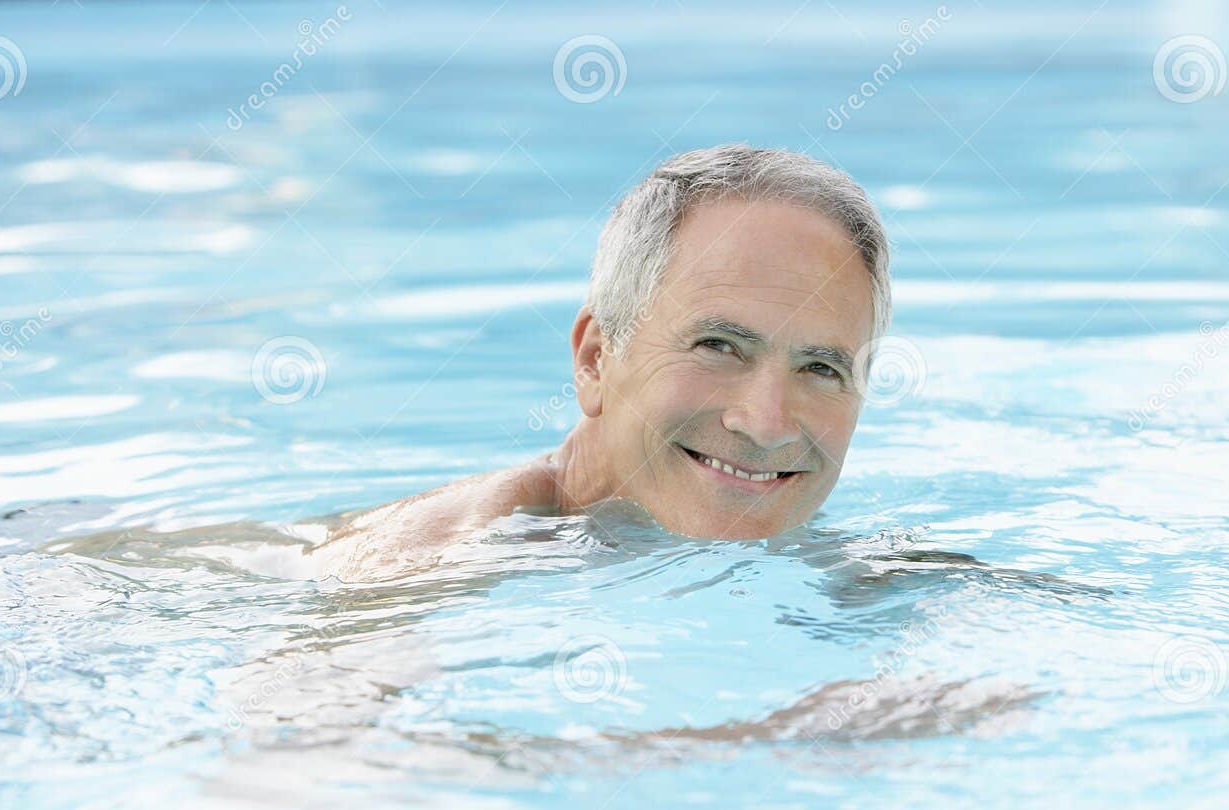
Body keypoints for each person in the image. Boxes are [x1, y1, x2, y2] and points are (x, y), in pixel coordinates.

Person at [314, 144, 891, 582]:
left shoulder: (853, 572)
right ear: (595, 359)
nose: (767, 423)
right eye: (718, 346)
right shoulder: (432, 571)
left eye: (821, 369)